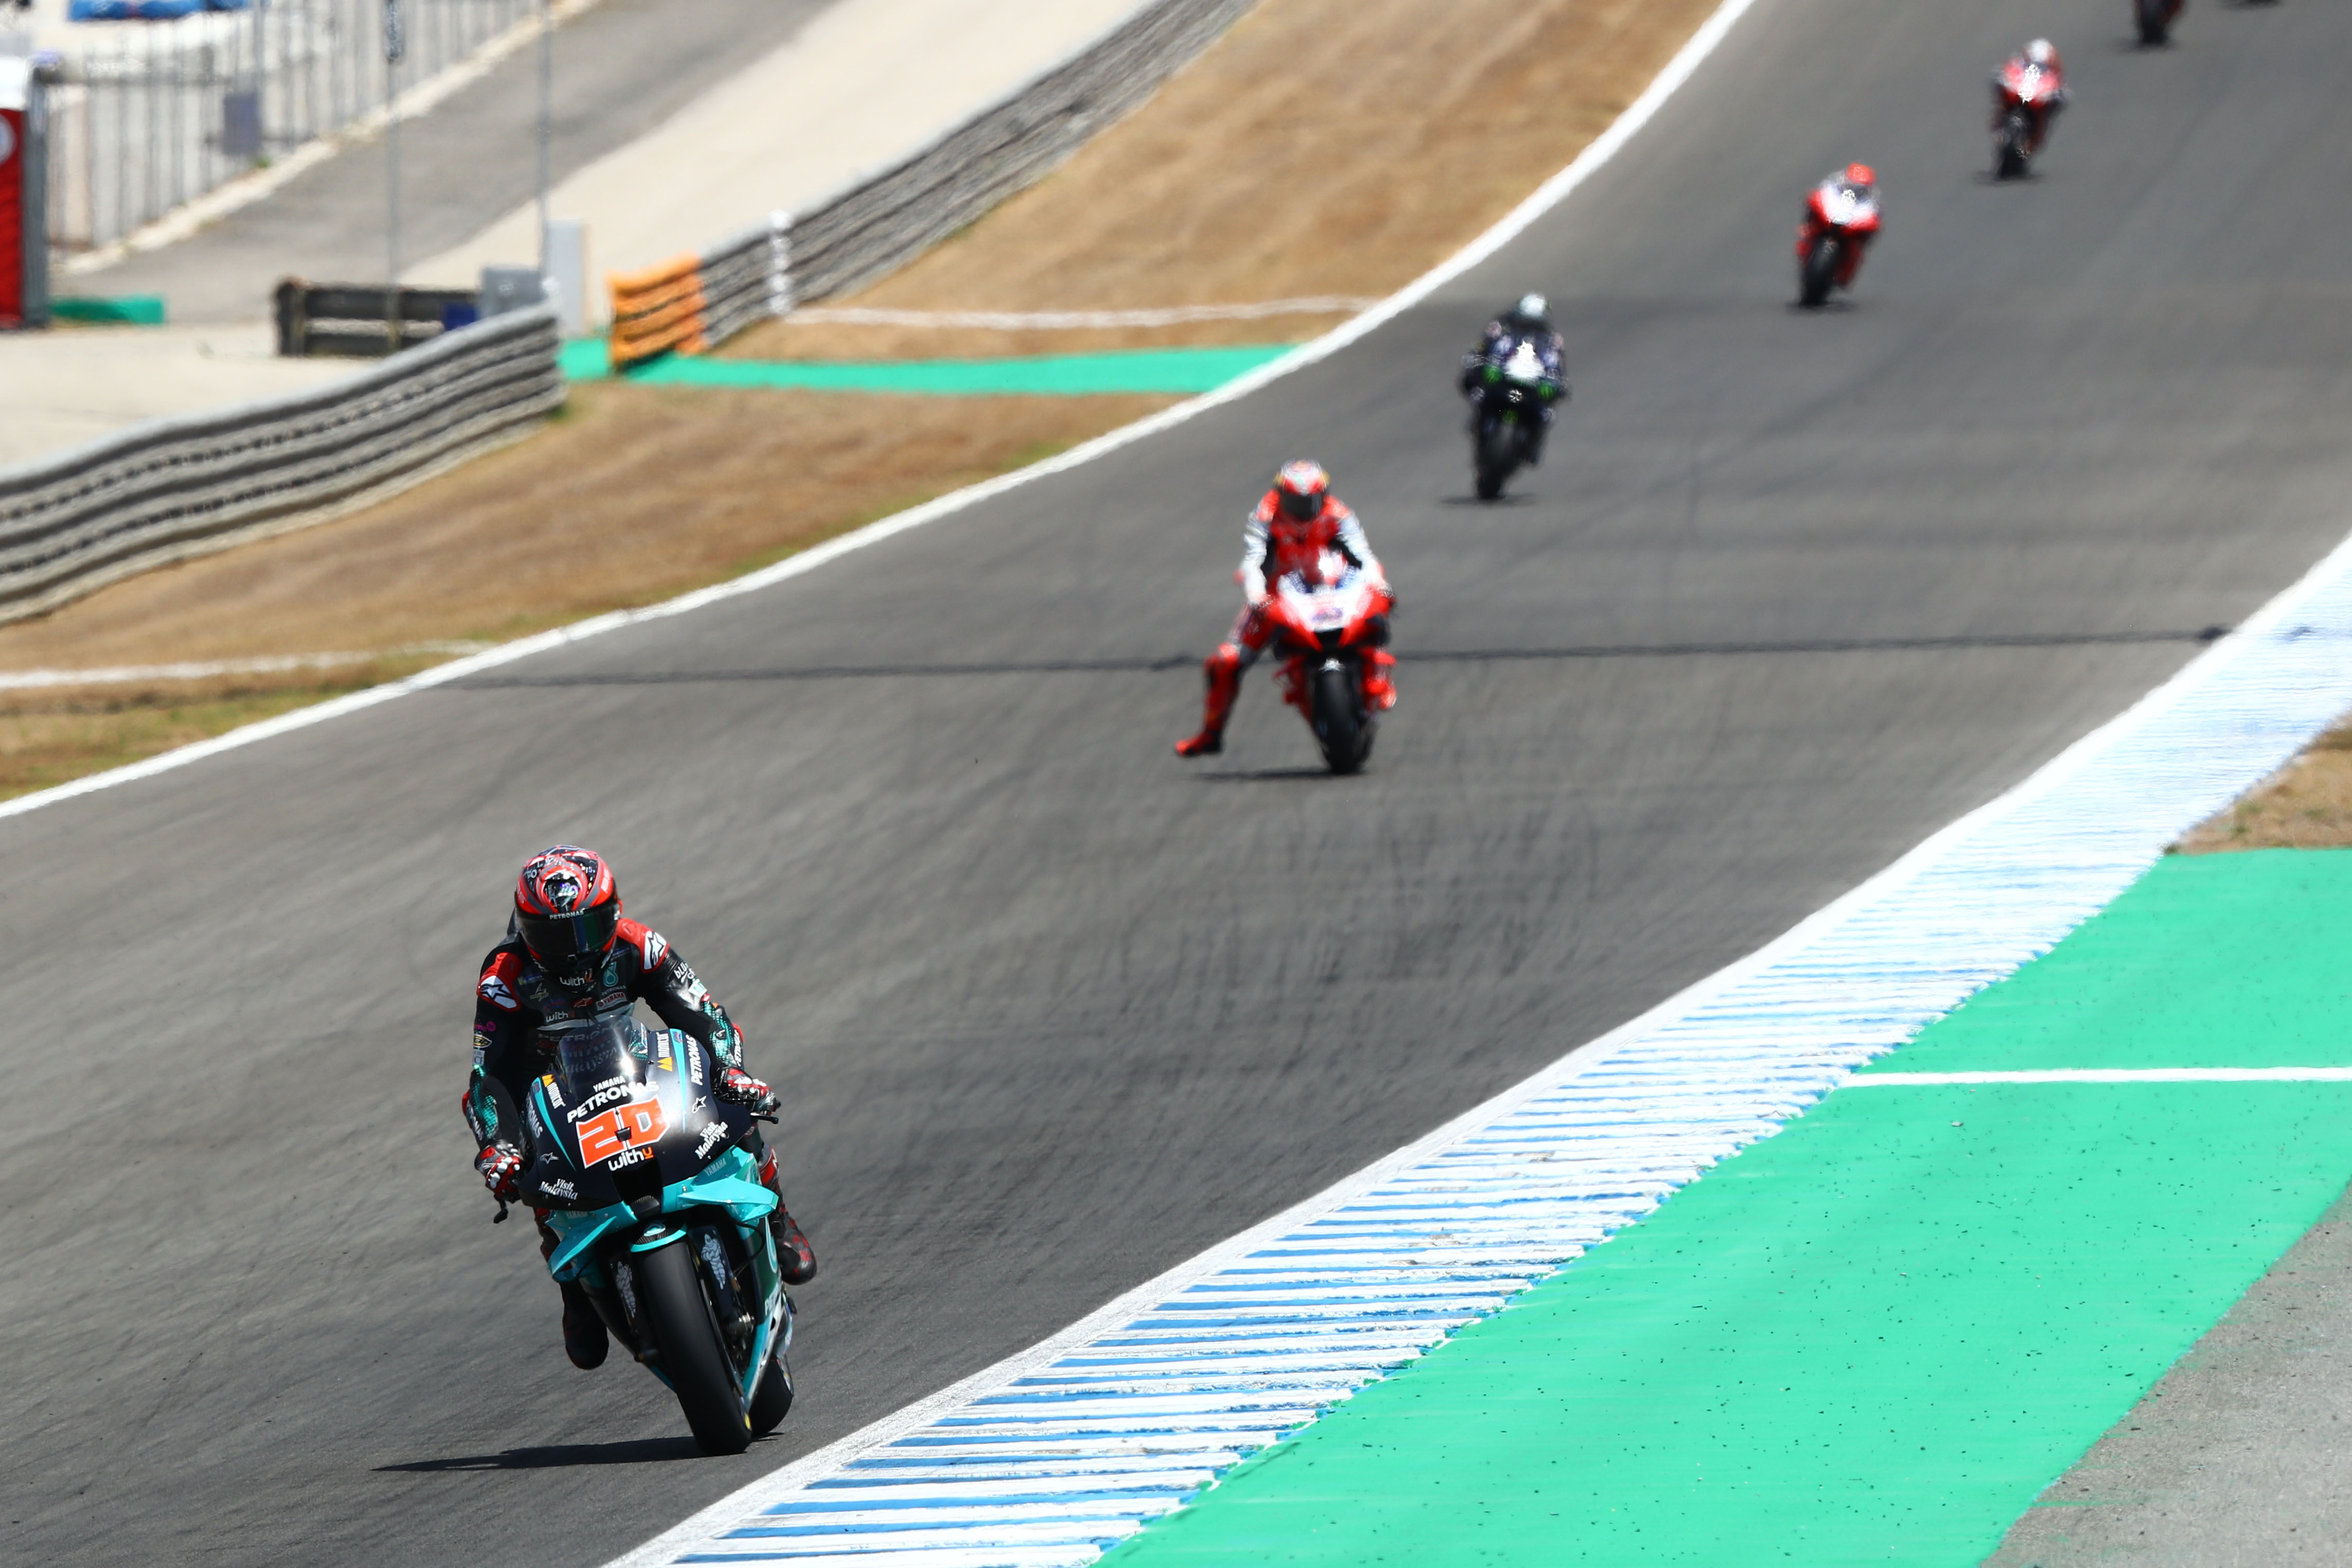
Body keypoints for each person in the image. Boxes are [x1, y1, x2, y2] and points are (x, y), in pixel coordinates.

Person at [464, 845, 818, 1370]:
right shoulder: (504, 976)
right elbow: (489, 1073)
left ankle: (778, 1214)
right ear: (524, 927)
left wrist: (731, 1069)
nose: (575, 951)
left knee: (728, 1095)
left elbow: (703, 1013)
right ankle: (575, 1288)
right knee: (535, 1167)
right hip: (556, 1084)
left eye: (587, 928)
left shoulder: (639, 944)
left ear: (614, 913)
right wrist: (499, 1144)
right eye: (556, 936)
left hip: (634, 1060)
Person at [1175, 460, 1395, 759]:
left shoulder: (1339, 513)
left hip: (1333, 588)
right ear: (1281, 496)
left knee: (1375, 612)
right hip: (1277, 595)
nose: (1305, 509)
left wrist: (1380, 583)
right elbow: (1253, 561)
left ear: (1324, 495)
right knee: (1225, 661)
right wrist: (1256, 596)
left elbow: (1363, 555)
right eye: (1296, 502)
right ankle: (1211, 733)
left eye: (1312, 501)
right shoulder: (1265, 516)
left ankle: (1377, 680)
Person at [1459, 293, 1569, 464]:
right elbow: (1482, 349)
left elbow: (1556, 364)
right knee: (1477, 392)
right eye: (1525, 322)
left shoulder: (1552, 341)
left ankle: (1534, 444)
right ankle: (1479, 424)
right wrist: (1478, 362)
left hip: (1532, 388)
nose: (1528, 327)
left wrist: (1557, 383)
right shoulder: (1500, 330)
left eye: (1534, 323)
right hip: (1503, 381)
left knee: (1546, 414)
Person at [1798, 164, 1881, 289]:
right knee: (1808, 229)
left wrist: (1867, 226)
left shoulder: (1871, 201)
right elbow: (1814, 199)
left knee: (1859, 247)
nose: (1855, 189)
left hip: (1851, 231)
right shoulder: (1832, 186)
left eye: (1860, 188)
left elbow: (1875, 222)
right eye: (1853, 185)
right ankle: (1808, 254)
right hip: (1827, 223)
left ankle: (1844, 272)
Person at [1992, 39, 2069, 153]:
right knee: (1998, 88)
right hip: (2017, 95)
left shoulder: (2052, 73)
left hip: (2038, 103)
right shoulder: (2018, 64)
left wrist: (2053, 95)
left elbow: (2059, 89)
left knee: (2054, 107)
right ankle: (1998, 121)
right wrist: (2004, 80)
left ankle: (2037, 136)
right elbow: (2003, 74)